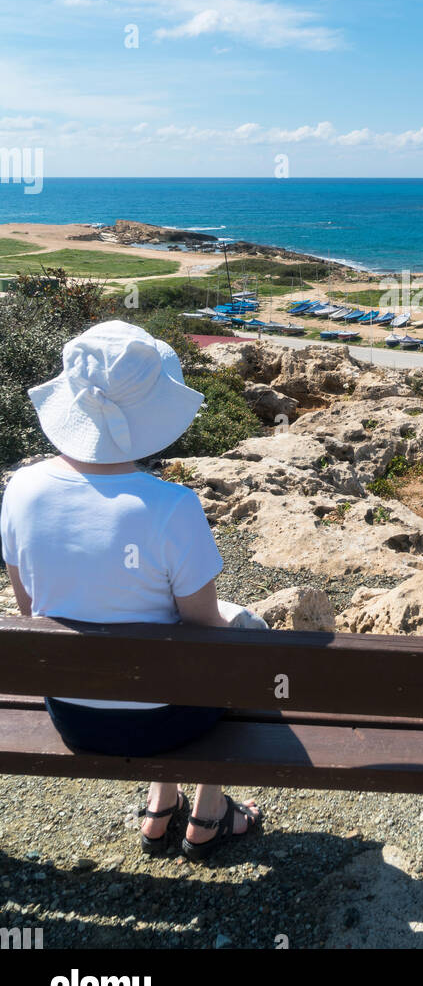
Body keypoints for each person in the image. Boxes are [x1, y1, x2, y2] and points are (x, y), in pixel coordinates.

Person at [0, 319, 262, 860]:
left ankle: (161, 804)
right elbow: (202, 627)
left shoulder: (20, 489)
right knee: (245, 637)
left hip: (70, 713)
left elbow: (30, 608)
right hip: (162, 720)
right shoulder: (172, 507)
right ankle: (209, 814)